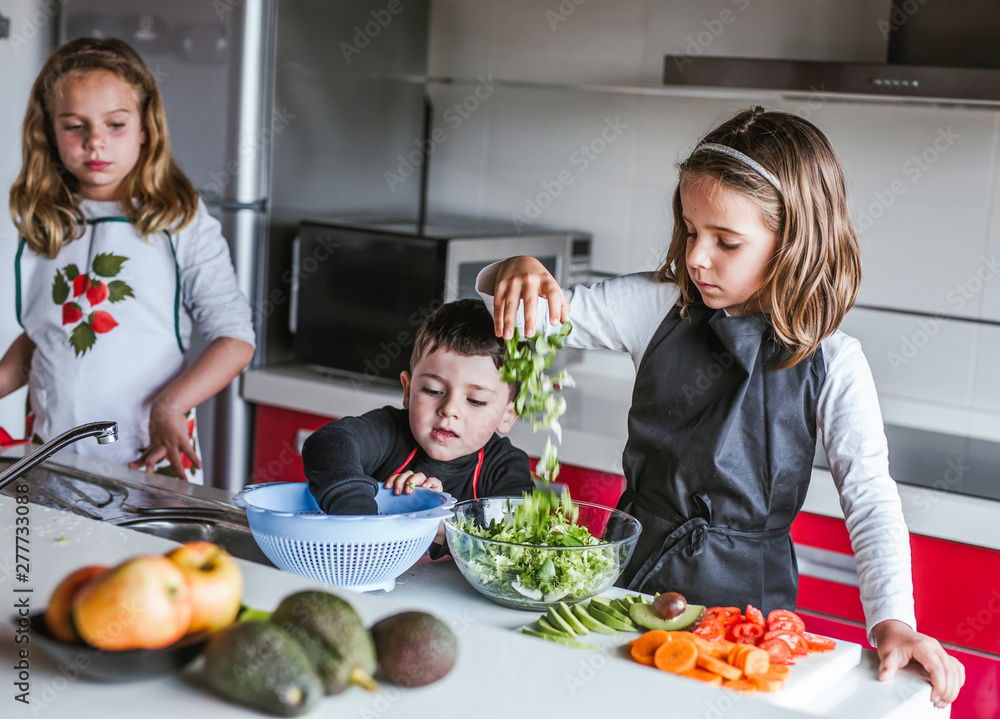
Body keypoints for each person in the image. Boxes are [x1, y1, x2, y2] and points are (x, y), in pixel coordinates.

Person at [480, 107, 965, 707]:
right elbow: (524, 316)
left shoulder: (833, 362)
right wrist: (511, 271)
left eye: (725, 241)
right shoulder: (656, 308)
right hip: (628, 586)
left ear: (793, 244)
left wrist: (893, 620)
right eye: (690, 230)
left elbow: (869, 497)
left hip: (749, 616)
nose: (695, 258)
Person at [1, 37, 255, 481]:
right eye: (74, 126)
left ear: (145, 128)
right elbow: (46, 334)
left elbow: (235, 339)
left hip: (147, 457)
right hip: (49, 457)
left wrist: (170, 405)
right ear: (47, 130)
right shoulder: (43, 220)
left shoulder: (179, 218)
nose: (94, 142)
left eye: (115, 124)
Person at [303, 298, 533, 525]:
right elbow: (328, 443)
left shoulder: (506, 467)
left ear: (508, 415)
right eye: (433, 390)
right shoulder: (389, 431)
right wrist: (361, 518)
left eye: (475, 400)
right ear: (408, 390)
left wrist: (444, 524)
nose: (449, 410)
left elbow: (515, 532)